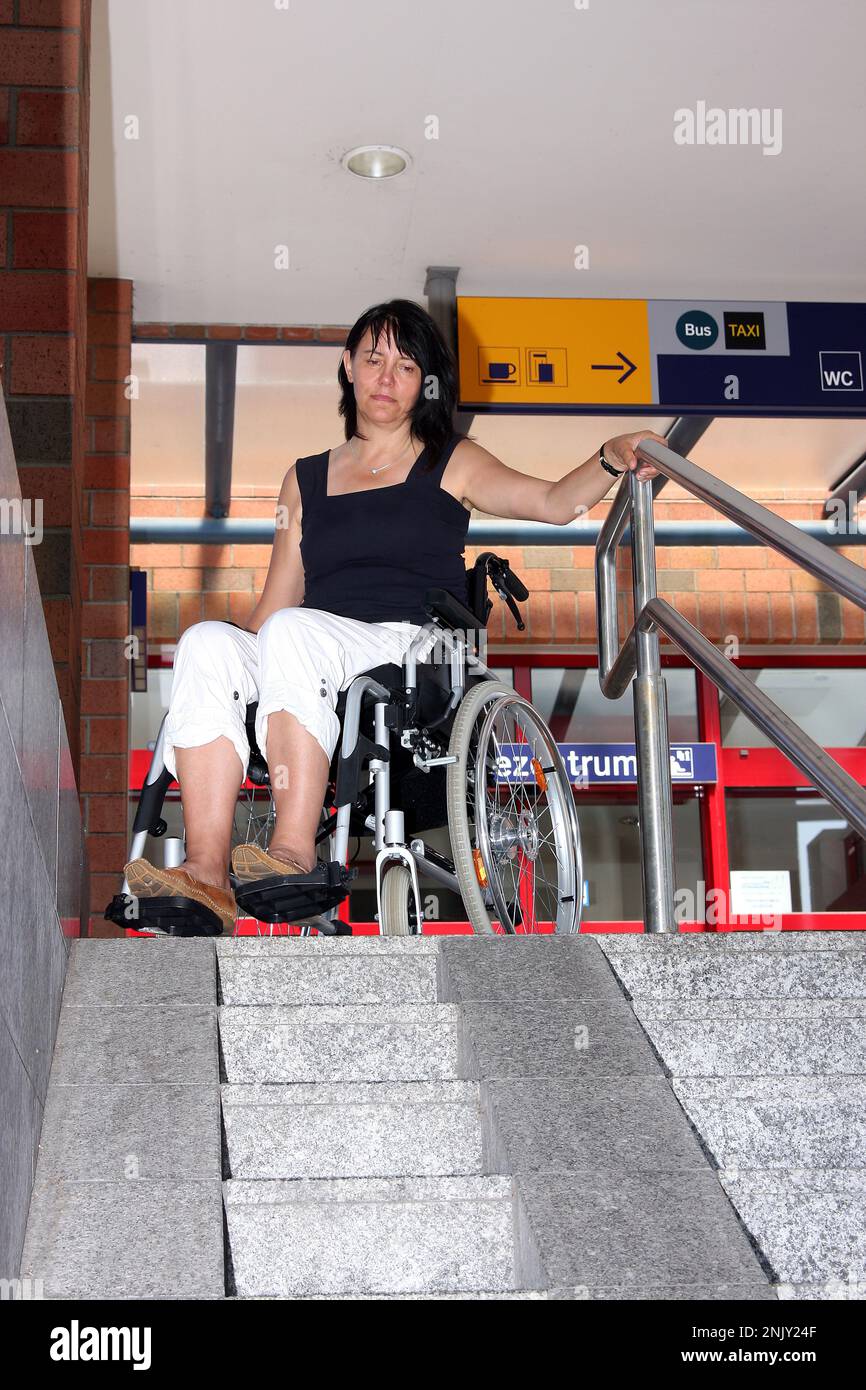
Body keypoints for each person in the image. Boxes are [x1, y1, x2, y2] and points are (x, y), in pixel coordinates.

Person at [125, 298, 664, 932]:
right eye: (374, 359)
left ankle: (294, 852)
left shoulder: (450, 460)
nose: (386, 377)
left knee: (294, 634)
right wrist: (232, 662)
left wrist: (609, 454)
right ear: (347, 366)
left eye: (405, 365)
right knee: (206, 643)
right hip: (312, 645)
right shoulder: (303, 481)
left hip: (409, 650)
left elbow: (550, 501)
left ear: (424, 383)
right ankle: (206, 874)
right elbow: (275, 606)